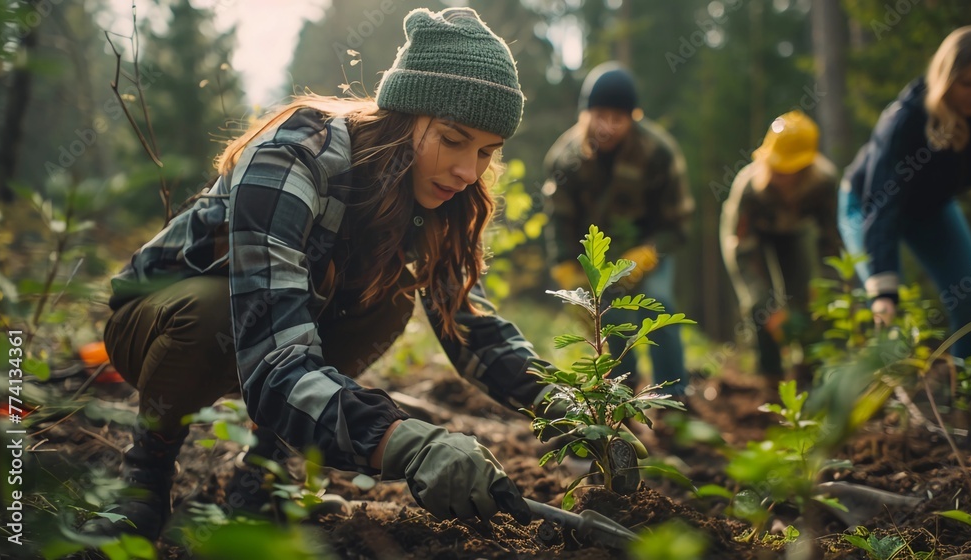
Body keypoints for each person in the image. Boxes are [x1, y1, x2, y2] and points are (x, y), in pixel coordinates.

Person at [82, 7, 556, 541]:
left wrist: (564, 404)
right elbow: (274, 359)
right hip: (158, 320)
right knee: (214, 311)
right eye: (453, 139)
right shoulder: (293, 159)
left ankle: (262, 473)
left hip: (273, 335)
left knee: (394, 296)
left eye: (486, 152)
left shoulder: (433, 194)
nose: (469, 172)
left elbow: (468, 322)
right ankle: (147, 471)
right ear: (403, 116)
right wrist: (404, 443)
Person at [837, 24, 971, 421]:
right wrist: (883, 290)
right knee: (882, 303)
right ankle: (870, 410)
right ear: (945, 77)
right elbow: (883, 204)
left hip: (931, 210)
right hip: (868, 205)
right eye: (967, 84)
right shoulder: (906, 120)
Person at [543, 62, 695, 396]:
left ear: (633, 117)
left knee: (658, 302)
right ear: (586, 114)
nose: (607, 127)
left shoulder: (659, 153)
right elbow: (558, 218)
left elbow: (679, 222)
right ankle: (621, 393)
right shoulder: (566, 158)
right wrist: (566, 266)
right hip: (597, 256)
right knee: (606, 316)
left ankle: (674, 393)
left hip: (648, 248)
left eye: (618, 119)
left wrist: (647, 253)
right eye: (600, 116)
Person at [720, 111, 842, 384]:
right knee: (761, 308)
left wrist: (825, 285)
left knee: (805, 300)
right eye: (776, 168)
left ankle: (810, 371)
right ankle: (770, 376)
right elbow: (740, 250)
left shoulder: (824, 183)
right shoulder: (748, 189)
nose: (781, 177)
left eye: (790, 171)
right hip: (752, 241)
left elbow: (832, 241)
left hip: (793, 235)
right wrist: (766, 306)